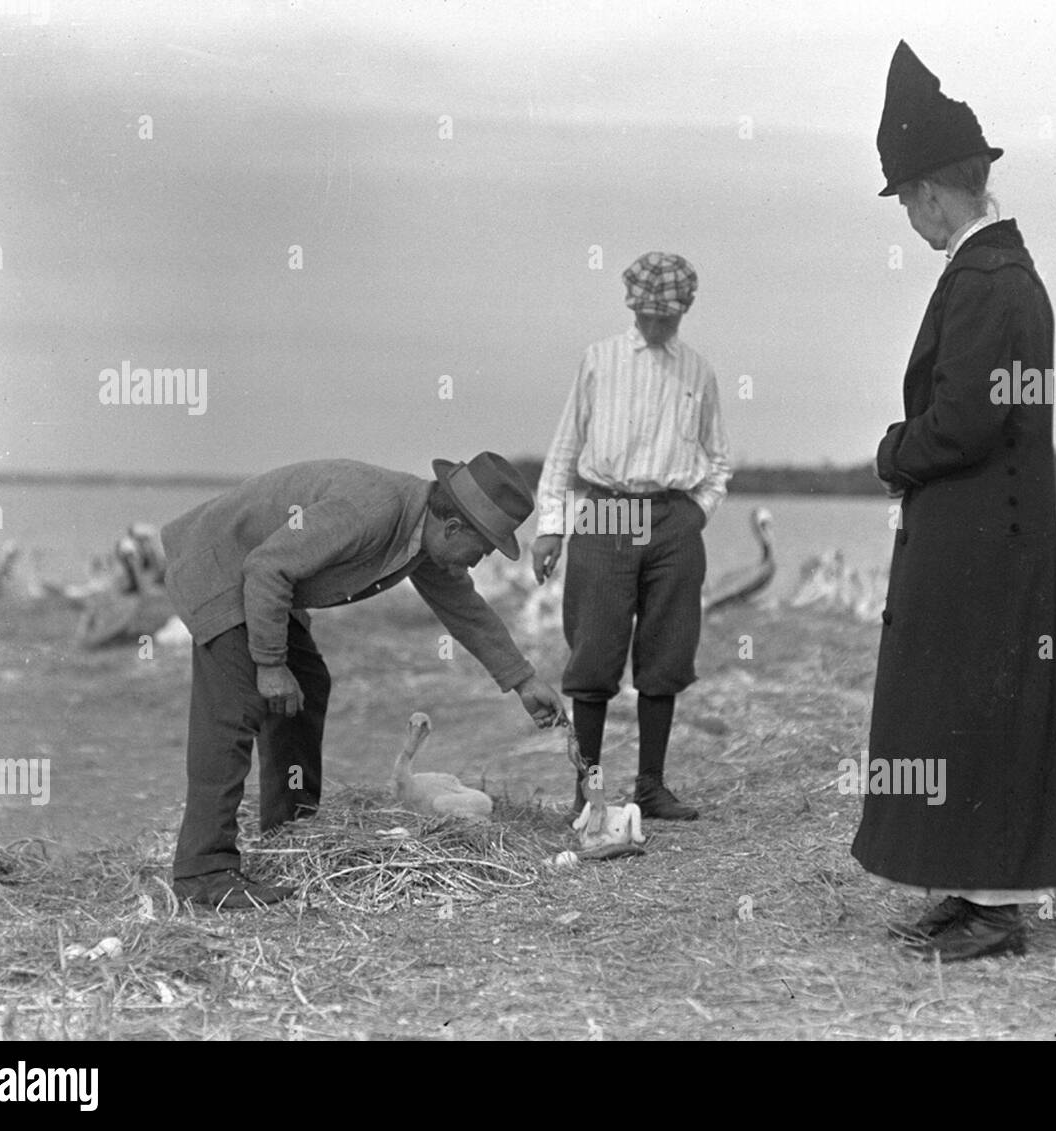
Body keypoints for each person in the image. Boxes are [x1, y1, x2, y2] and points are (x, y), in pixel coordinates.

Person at [850, 42, 1056, 961]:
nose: (911, 221)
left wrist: (890, 451)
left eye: (908, 203)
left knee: (978, 712)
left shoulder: (987, 279)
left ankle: (997, 908)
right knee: (960, 708)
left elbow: (960, 423)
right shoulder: (996, 273)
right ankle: (972, 886)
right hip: (987, 535)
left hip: (981, 541)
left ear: (929, 193)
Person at [162, 452, 566, 908]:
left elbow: (465, 610)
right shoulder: (369, 512)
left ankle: (291, 829)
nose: (480, 560)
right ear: (453, 529)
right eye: (485, 547)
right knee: (236, 708)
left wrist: (524, 681)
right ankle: (204, 871)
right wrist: (271, 665)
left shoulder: (424, 533)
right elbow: (267, 568)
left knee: (308, 684)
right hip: (224, 569)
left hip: (259, 577)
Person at [532, 252, 731, 820]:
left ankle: (651, 785)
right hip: (605, 511)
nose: (654, 324)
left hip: (673, 517)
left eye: (666, 315)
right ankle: (587, 792)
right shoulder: (600, 360)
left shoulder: (699, 372)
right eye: (645, 313)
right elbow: (566, 447)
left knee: (665, 654)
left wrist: (697, 513)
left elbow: (718, 460)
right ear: (631, 306)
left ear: (685, 310)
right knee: (593, 654)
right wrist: (550, 527)